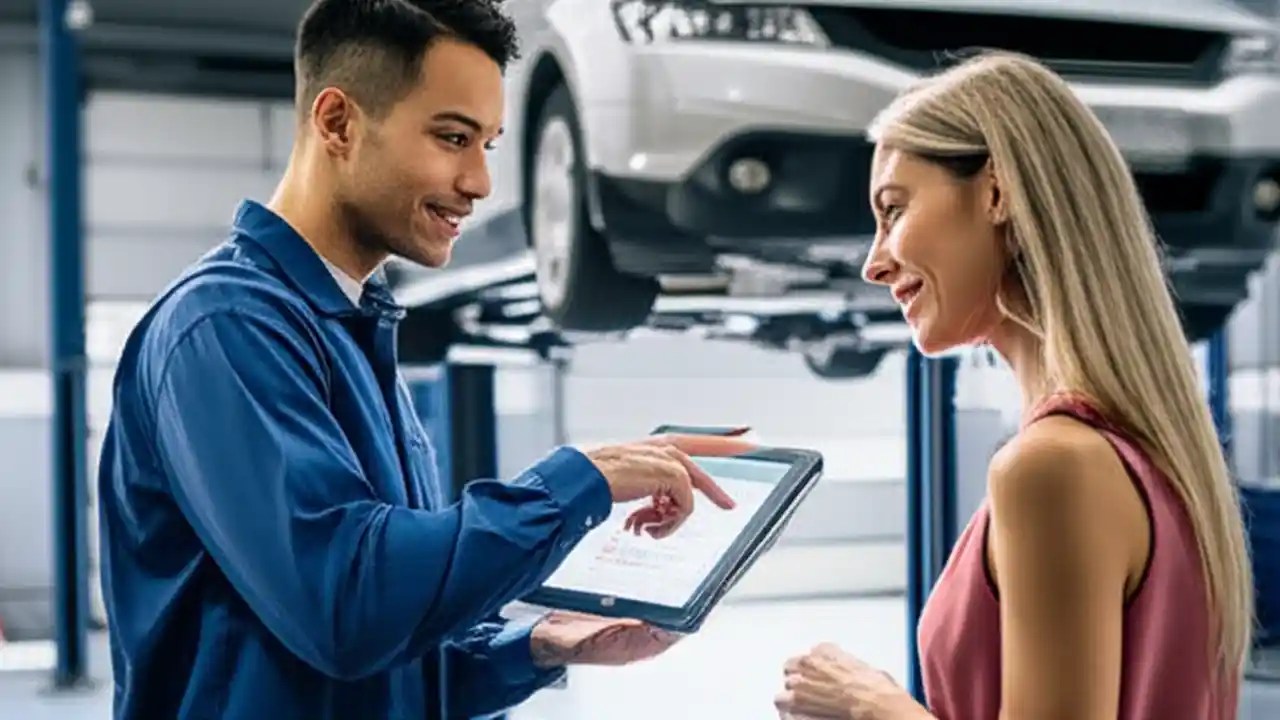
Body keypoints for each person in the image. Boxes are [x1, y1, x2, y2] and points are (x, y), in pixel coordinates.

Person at [95, 1, 754, 718]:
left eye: (489, 146)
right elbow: (345, 608)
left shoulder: (348, 327)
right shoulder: (225, 326)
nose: (480, 182)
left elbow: (386, 652)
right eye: (452, 137)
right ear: (338, 122)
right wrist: (577, 483)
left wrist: (537, 646)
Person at [774, 51, 1253, 720]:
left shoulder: (1052, 467)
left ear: (998, 192)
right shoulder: (1149, 455)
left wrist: (869, 704)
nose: (873, 264)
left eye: (895, 209)